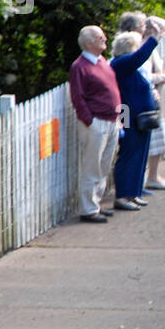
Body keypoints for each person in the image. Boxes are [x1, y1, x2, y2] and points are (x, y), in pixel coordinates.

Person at [69, 26, 122, 222]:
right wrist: (89, 121)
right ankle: (88, 209)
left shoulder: (103, 62)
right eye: (100, 37)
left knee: (104, 165)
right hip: (96, 123)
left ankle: (96, 203)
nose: (104, 39)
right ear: (89, 41)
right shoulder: (80, 67)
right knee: (92, 166)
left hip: (111, 120)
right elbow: (77, 97)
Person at [109, 28, 162, 210]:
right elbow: (139, 57)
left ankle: (134, 192)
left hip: (139, 116)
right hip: (128, 114)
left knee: (140, 154)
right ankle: (123, 195)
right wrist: (154, 38)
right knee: (129, 153)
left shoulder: (127, 64)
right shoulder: (121, 62)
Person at [142, 16, 165, 189]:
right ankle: (152, 177)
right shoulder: (143, 46)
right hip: (153, 103)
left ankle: (154, 175)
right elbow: (144, 75)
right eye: (161, 31)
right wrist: (163, 76)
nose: (162, 34)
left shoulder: (152, 47)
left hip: (161, 101)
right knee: (155, 141)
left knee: (160, 141)